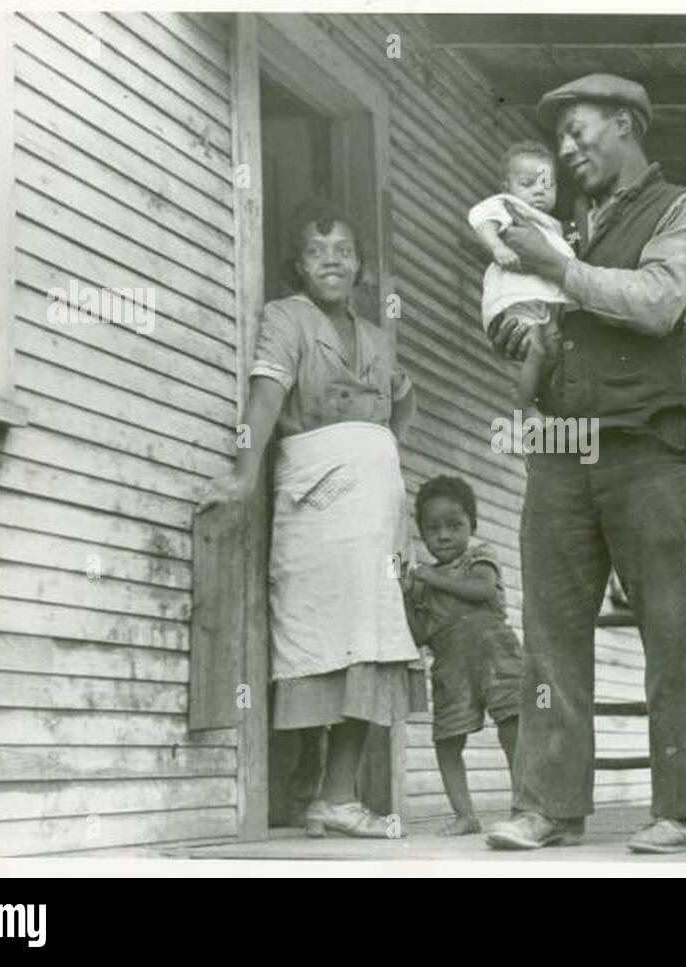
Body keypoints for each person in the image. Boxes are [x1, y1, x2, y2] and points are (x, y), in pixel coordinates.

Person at [481, 74, 686, 854]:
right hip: (559, 446)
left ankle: (681, 807)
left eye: (580, 132)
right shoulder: (569, 225)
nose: (566, 149)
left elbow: (656, 301)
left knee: (670, 627)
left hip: (646, 445)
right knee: (549, 630)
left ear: (626, 123)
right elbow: (555, 307)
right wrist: (526, 337)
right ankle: (548, 805)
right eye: (560, 139)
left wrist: (555, 270)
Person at [196, 198, 424, 839]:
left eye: (344, 252)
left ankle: (337, 795)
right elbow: (265, 396)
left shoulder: (376, 337)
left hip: (375, 506)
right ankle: (305, 792)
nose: (332, 262)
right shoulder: (286, 318)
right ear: (298, 266)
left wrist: (384, 453)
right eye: (318, 253)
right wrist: (243, 475)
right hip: (318, 499)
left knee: (371, 644)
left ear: (360, 267)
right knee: (314, 640)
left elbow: (402, 400)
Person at [401, 476, 523, 836]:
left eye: (455, 525)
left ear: (473, 524)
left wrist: (429, 579)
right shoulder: (422, 583)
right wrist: (406, 598)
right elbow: (420, 635)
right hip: (450, 665)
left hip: (496, 654)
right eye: (433, 528)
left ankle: (524, 806)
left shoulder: (479, 555)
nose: (444, 535)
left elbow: (482, 589)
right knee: (447, 739)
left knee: (513, 726)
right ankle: (465, 814)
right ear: (422, 533)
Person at [467, 140, 575, 408]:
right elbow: (481, 218)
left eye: (546, 183)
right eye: (528, 184)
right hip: (515, 298)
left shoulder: (552, 226)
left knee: (553, 348)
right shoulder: (509, 206)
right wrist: (496, 246)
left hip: (543, 304)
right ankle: (525, 406)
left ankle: (541, 403)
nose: (539, 190)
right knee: (535, 349)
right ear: (508, 188)